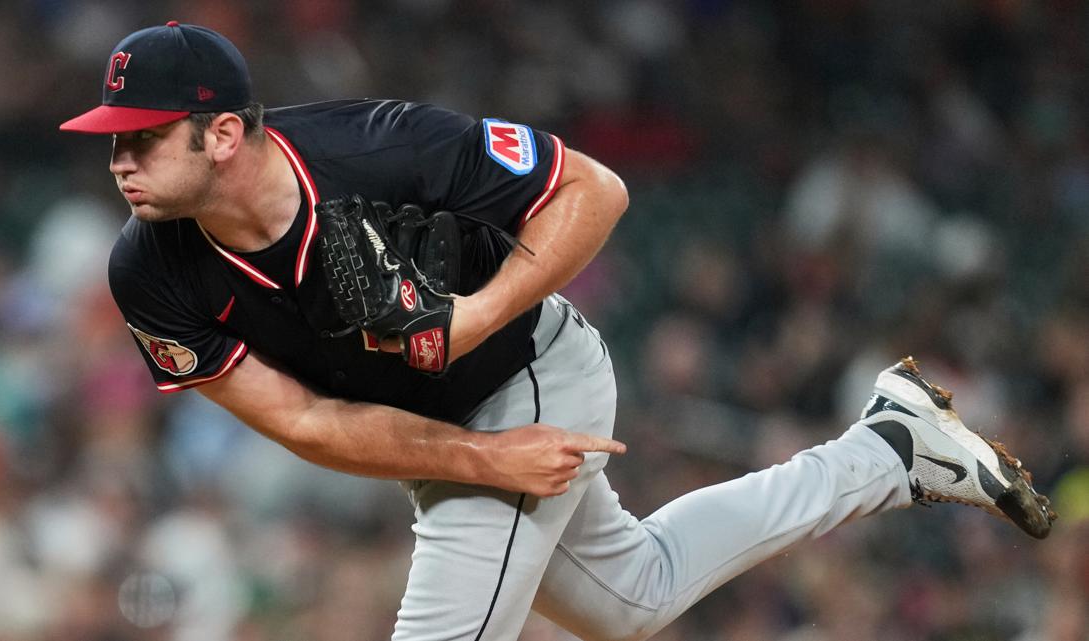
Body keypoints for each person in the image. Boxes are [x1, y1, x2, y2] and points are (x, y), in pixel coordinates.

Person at [60, 22, 1055, 641]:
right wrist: (480, 459)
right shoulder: (145, 266)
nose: (120, 158)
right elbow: (311, 425)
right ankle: (889, 446)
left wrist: (469, 317)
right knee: (635, 596)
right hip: (446, 427)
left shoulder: (380, 145)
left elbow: (595, 186)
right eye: (113, 137)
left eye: (140, 135)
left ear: (223, 134)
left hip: (527, 363)